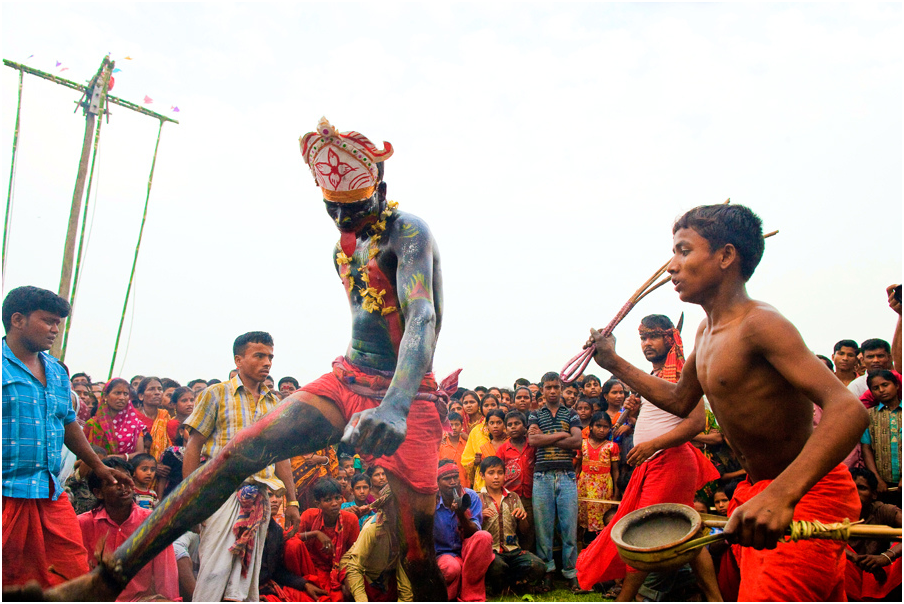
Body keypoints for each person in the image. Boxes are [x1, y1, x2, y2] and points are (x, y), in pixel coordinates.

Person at [42, 118, 452, 602]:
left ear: (380, 190)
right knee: (234, 456)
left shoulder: (408, 232)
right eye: (333, 209)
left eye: (355, 208)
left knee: (417, 554)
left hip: (407, 394)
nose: (344, 220)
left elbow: (422, 316)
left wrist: (397, 405)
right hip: (347, 379)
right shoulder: (345, 245)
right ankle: (104, 580)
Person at [587, 203, 869, 601]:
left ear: (725, 256)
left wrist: (781, 494)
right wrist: (613, 361)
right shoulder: (704, 332)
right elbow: (681, 400)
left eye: (684, 251)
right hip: (762, 495)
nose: (671, 266)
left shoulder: (761, 323)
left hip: (802, 493)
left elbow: (847, 409)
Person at [2, 286, 134, 592]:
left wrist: (99, 467)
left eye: (58, 323)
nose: (54, 330)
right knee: (9, 584)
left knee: (71, 576)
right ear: (18, 320)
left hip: (48, 493)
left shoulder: (55, 371)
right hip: (5, 492)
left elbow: (68, 423)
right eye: (48, 321)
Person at [182, 331, 299, 602]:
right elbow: (194, 445)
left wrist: (293, 502)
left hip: (259, 497)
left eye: (270, 356)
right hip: (220, 493)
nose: (267, 362)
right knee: (214, 573)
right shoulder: (216, 394)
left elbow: (280, 455)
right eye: (259, 356)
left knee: (246, 577)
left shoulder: (275, 402)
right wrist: (191, 496)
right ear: (238, 360)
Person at [78, 457, 178, 601]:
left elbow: (165, 574)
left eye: (126, 479)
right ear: (98, 493)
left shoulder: (153, 522)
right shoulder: (82, 524)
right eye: (114, 482)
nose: (123, 486)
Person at [528, 371, 585, 593]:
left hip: (567, 475)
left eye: (556, 387)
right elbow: (533, 440)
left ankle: (571, 573)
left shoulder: (571, 413)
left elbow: (578, 442)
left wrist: (547, 438)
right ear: (542, 389)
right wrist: (562, 435)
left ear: (561, 389)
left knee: (568, 526)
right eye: (548, 387)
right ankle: (547, 573)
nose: (552, 391)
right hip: (542, 476)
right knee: (544, 529)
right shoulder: (535, 414)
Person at [283, 477, 359, 601]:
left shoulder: (350, 520)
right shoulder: (309, 515)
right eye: (328, 500)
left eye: (337, 498)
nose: (334, 503)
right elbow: (288, 536)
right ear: (318, 504)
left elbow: (354, 554)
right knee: (293, 545)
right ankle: (298, 582)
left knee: (339, 596)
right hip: (310, 569)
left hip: (337, 569)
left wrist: (346, 579)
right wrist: (315, 533)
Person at [478, 456, 545, 595]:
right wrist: (481, 517)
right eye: (491, 473)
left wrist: (522, 519)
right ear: (482, 475)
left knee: (538, 565)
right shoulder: (478, 499)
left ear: (504, 474)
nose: (496, 477)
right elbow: (471, 532)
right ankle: (509, 586)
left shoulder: (513, 497)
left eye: (500, 472)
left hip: (513, 551)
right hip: (491, 552)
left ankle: (511, 585)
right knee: (497, 567)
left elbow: (524, 531)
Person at [434, 459, 494, 601]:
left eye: (455, 476)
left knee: (484, 536)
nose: (453, 482)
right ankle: (450, 595)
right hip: (443, 553)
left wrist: (461, 514)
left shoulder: (470, 496)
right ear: (437, 482)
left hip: (467, 550)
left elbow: (473, 532)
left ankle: (471, 597)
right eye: (447, 478)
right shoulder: (431, 501)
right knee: (452, 568)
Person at [341, 486, 414, 602]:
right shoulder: (372, 529)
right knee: (350, 590)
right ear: (384, 507)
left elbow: (403, 570)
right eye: (394, 503)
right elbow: (354, 567)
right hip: (364, 573)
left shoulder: (405, 530)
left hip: (385, 577)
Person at [844, 467, 902, 601]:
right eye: (849, 486)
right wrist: (853, 558)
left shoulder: (883, 510)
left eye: (861, 488)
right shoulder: (833, 510)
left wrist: (886, 557)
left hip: (882, 577)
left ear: (874, 494)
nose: (854, 491)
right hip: (846, 579)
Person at [259, 484, 322, 602]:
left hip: (270, 585)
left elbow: (276, 570)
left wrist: (304, 584)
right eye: (269, 495)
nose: (274, 500)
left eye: (278, 496)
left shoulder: (276, 530)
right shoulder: (246, 529)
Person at [860, 369, 902, 506]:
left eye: (885, 385)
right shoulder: (868, 415)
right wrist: (877, 480)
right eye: (876, 388)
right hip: (884, 485)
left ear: (896, 385)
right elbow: (866, 449)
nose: (881, 390)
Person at [576, 411, 620, 540]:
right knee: (583, 518)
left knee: (601, 519)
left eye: (605, 427)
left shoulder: (612, 446)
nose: (601, 430)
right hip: (584, 485)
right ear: (590, 427)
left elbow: (615, 470)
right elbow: (578, 465)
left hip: (604, 487)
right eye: (598, 426)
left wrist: (616, 492)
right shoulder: (582, 444)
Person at [83, 378, 147, 457]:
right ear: (106, 395)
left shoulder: (136, 425)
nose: (122, 398)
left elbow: (140, 453)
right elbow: (83, 452)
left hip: (125, 468)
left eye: (126, 394)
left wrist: (118, 458)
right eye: (117, 393)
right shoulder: (92, 424)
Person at [461, 407, 507, 492]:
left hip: (507, 485)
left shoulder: (509, 443)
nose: (495, 426)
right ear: (487, 425)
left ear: (504, 424)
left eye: (499, 422)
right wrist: (476, 462)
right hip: (484, 487)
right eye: (492, 423)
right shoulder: (485, 446)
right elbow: (467, 461)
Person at [438, 411, 470, 487]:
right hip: (447, 486)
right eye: (451, 425)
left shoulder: (467, 444)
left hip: (466, 484)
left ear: (461, 425)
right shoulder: (441, 445)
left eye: (457, 424)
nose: (454, 428)